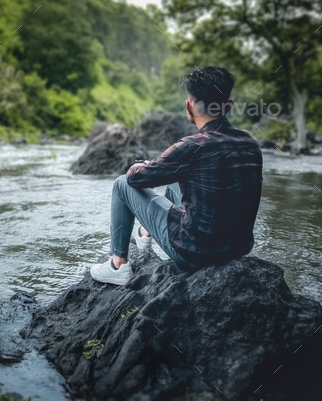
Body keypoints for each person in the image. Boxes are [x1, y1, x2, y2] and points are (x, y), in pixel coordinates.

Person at [90, 66, 263, 285]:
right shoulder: (250, 143)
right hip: (238, 250)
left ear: (189, 106)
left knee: (121, 183)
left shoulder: (192, 146)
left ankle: (118, 265)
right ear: (228, 107)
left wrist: (143, 165)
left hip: (195, 255)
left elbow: (135, 179)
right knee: (175, 186)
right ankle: (145, 233)